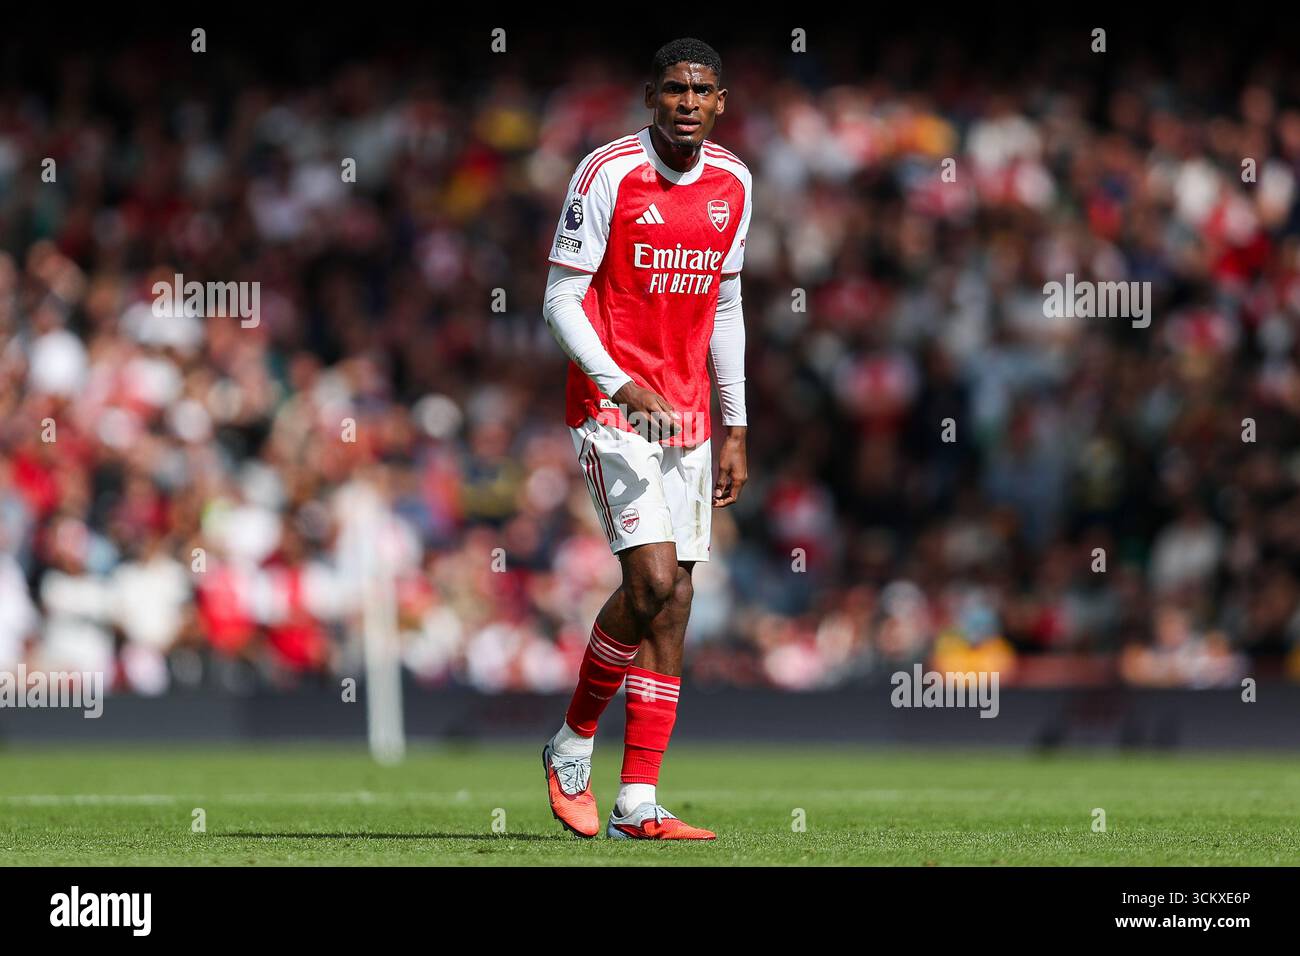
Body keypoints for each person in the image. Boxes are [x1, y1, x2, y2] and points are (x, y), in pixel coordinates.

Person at [538, 37, 751, 840]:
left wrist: (737, 423)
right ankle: (571, 740)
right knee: (653, 580)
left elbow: (725, 307)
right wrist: (619, 383)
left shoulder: (734, 181)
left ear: (720, 101)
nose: (687, 102)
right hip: (612, 407)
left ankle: (637, 802)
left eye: (701, 90)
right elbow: (560, 300)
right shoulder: (606, 174)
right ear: (650, 97)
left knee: (677, 601)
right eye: (673, 89)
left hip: (692, 415)